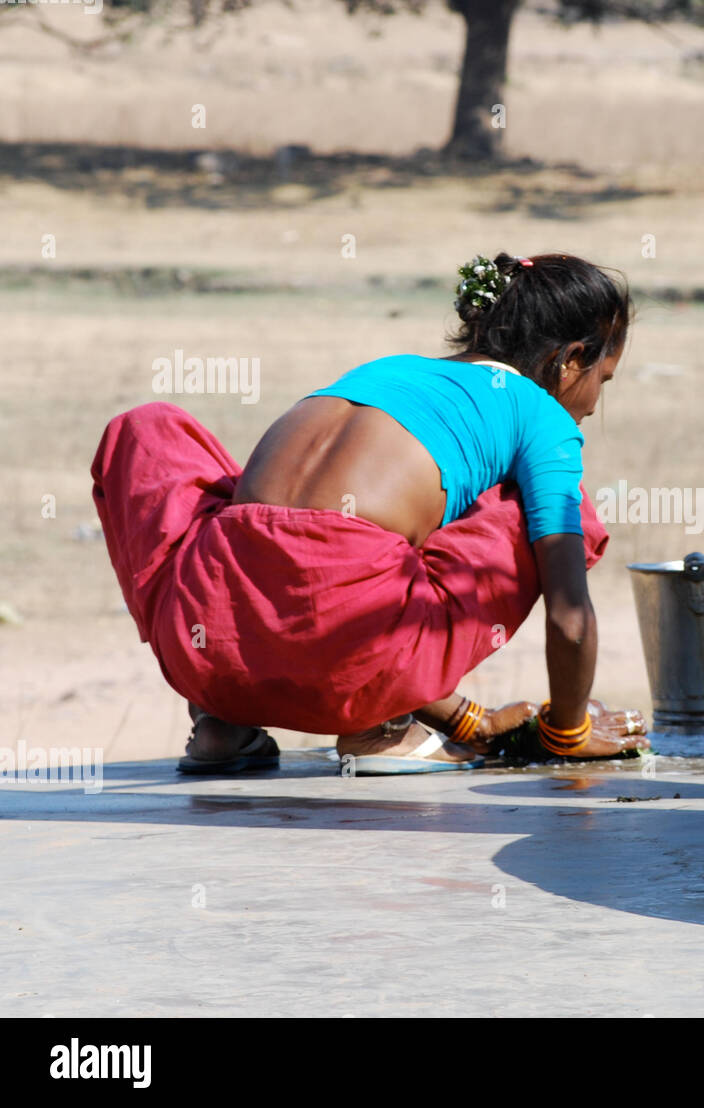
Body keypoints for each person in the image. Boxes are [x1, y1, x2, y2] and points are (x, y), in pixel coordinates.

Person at [91, 251, 650, 775]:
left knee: (152, 432)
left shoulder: (385, 371)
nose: (594, 405)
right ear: (571, 359)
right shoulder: (540, 414)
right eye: (603, 380)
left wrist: (468, 721)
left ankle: (220, 725)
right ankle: (379, 729)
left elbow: (309, 568)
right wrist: (567, 735)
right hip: (352, 656)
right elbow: (569, 617)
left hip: (210, 647)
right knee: (558, 514)